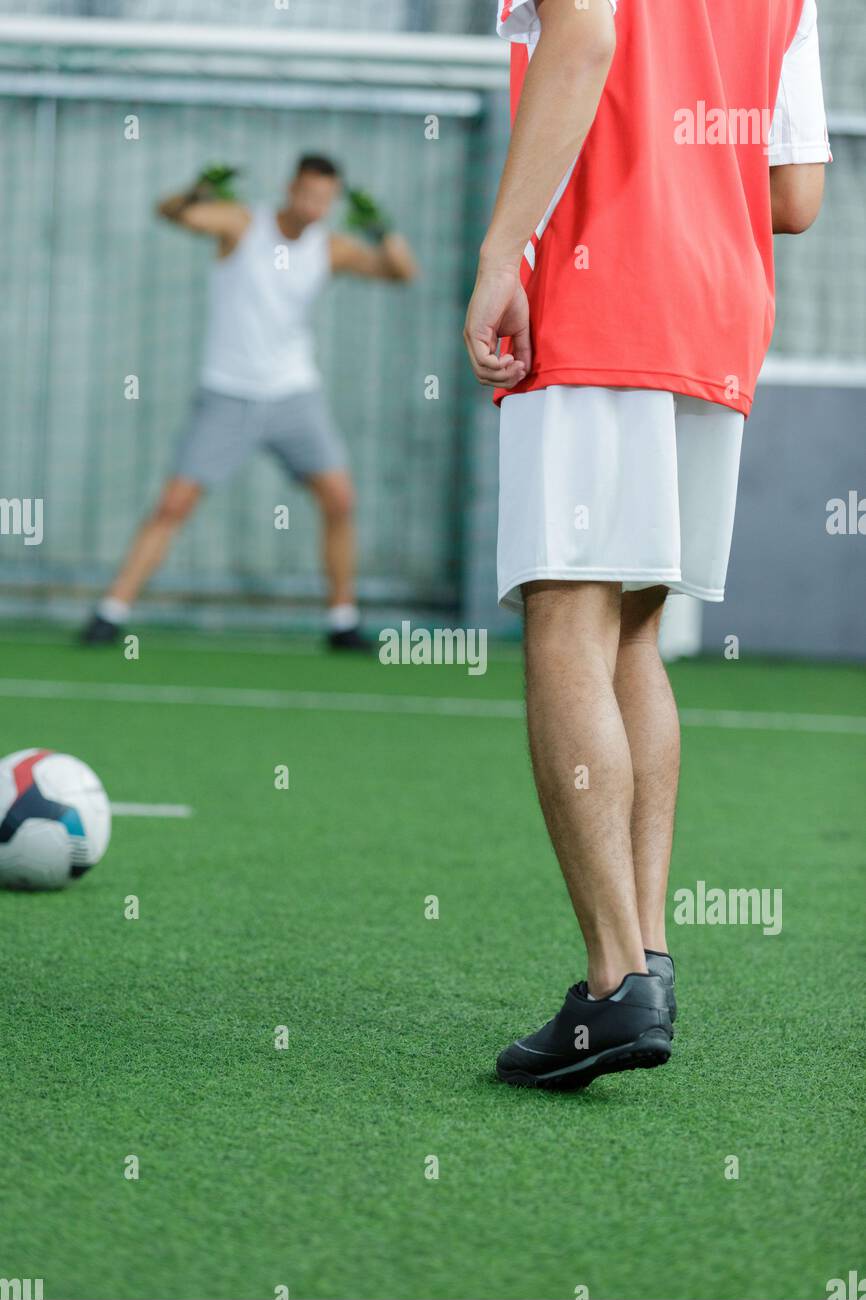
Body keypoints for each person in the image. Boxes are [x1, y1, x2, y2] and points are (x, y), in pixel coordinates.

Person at [464, 0, 830, 1088]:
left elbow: (581, 40)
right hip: (714, 308)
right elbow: (795, 196)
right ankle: (644, 963)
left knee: (564, 616)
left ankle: (613, 980)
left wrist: (497, 253)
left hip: (593, 295)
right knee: (633, 630)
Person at [81, 154, 417, 652]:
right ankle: (110, 613)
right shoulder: (241, 223)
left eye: (324, 198)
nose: (313, 204)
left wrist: (380, 227)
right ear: (289, 188)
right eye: (306, 193)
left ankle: (342, 620)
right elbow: (169, 212)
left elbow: (400, 272)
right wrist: (197, 189)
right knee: (174, 504)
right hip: (227, 393)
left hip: (293, 395)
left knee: (340, 500)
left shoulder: (331, 248)